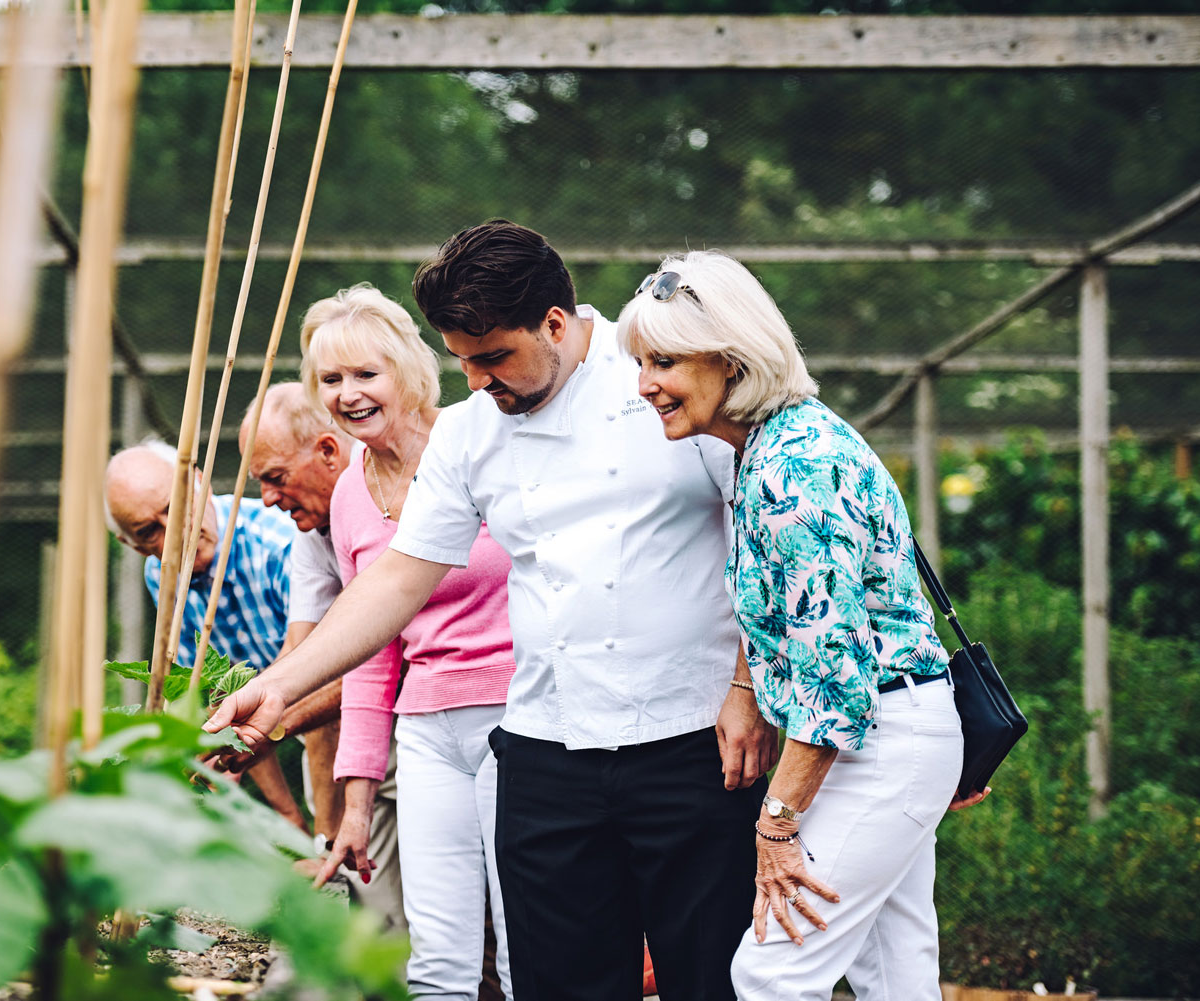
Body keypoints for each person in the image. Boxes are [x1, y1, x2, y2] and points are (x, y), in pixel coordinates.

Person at [205, 222, 776, 1001]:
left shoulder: (663, 377)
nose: (475, 381)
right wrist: (282, 684)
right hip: (545, 752)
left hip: (692, 739)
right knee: (553, 982)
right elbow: (399, 576)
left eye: (493, 357)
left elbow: (761, 537)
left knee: (707, 975)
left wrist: (748, 687)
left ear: (554, 322)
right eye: (462, 360)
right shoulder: (471, 433)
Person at [616, 251, 988, 1001]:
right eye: (639, 361)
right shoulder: (772, 449)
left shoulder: (796, 467)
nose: (644, 383)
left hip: (878, 736)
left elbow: (832, 674)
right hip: (891, 734)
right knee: (894, 974)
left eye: (664, 360)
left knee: (774, 973)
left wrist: (776, 824)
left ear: (729, 358)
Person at [299, 283, 518, 1001]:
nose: (348, 393)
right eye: (330, 379)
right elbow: (370, 650)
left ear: (408, 371)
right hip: (425, 730)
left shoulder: (482, 436)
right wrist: (355, 804)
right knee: (438, 954)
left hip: (519, 714)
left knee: (526, 940)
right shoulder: (349, 493)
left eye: (366, 373)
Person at [240, 384, 408, 935]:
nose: (265, 499)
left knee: (468, 912)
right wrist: (239, 721)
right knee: (385, 914)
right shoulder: (313, 533)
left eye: (275, 477)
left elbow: (389, 654)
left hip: (443, 717)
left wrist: (274, 724)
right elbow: (302, 657)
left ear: (329, 452)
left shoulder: (395, 498)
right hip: (373, 740)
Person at [103, 440, 306, 831]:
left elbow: (323, 676)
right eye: (149, 530)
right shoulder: (161, 575)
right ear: (130, 544)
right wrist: (288, 818)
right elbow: (222, 700)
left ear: (201, 482)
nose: (175, 530)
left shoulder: (279, 546)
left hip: (351, 706)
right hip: (271, 716)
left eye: (176, 506)